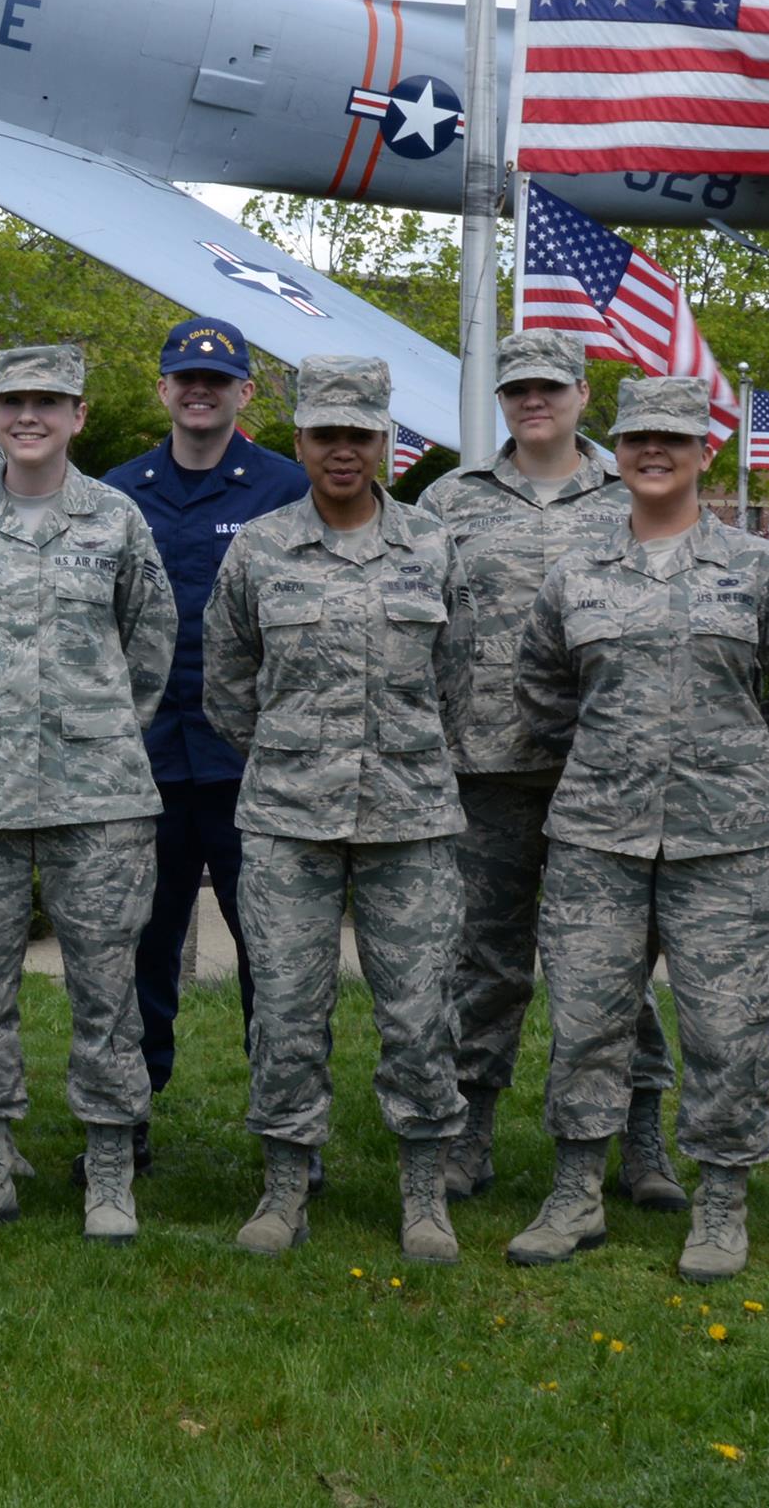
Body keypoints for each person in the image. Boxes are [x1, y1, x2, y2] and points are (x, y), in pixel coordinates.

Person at [508, 375, 769, 1283]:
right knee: (584, 1021)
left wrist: (751, 776)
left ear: (705, 452)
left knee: (729, 1029)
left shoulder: (758, 569)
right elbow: (541, 690)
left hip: (729, 842)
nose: (655, 452)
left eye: (674, 439)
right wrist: (604, 764)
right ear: (620, 448)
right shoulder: (576, 573)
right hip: (598, 840)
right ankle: (576, 1192)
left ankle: (722, 1200)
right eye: (639, 438)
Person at [0, 344, 177, 1242]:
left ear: (78, 416)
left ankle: (109, 1167)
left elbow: (150, 639)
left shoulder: (116, 518)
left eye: (48, 401)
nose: (29, 416)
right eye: (13, 400)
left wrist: (96, 724)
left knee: (107, 990)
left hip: (96, 793)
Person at [203, 355, 467, 1265]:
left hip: (412, 820)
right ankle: (284, 1188)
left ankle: (426, 1193)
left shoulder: (432, 545)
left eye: (361, 433)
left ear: (387, 439)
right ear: (301, 439)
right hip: (285, 818)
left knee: (423, 1012)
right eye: (326, 434)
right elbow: (228, 679)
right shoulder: (261, 547)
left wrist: (409, 756)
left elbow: (461, 682)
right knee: (281, 1009)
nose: (343, 450)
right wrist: (292, 751)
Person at [417, 329, 682, 1209]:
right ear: (502, 396)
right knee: (482, 961)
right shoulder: (449, 500)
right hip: (483, 768)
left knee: (613, 966)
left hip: (604, 772)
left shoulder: (631, 492)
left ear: (581, 391)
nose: (535, 401)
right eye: (518, 387)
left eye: (550, 386)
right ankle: (469, 1133)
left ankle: (642, 1141)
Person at [99, 316, 308, 1181]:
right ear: (163, 389)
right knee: (139, 948)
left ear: (244, 394)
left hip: (250, 765)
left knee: (275, 954)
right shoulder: (118, 491)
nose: (199, 391)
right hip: (143, 761)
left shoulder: (285, 487)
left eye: (216, 382)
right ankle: (129, 1116)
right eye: (185, 377)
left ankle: (286, 1129)